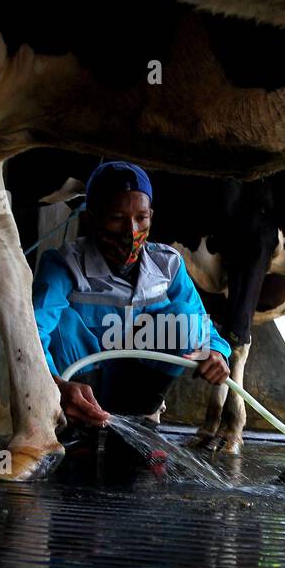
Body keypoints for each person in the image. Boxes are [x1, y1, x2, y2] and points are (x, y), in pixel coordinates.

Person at [32, 161, 231, 436]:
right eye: (116, 217)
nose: (131, 230)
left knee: (185, 317)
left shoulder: (168, 265)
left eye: (141, 218)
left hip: (138, 386)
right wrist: (56, 384)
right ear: (91, 218)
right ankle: (79, 424)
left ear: (151, 215)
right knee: (62, 323)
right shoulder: (64, 264)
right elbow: (34, 331)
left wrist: (217, 352)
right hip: (82, 386)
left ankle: (145, 416)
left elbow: (201, 322)